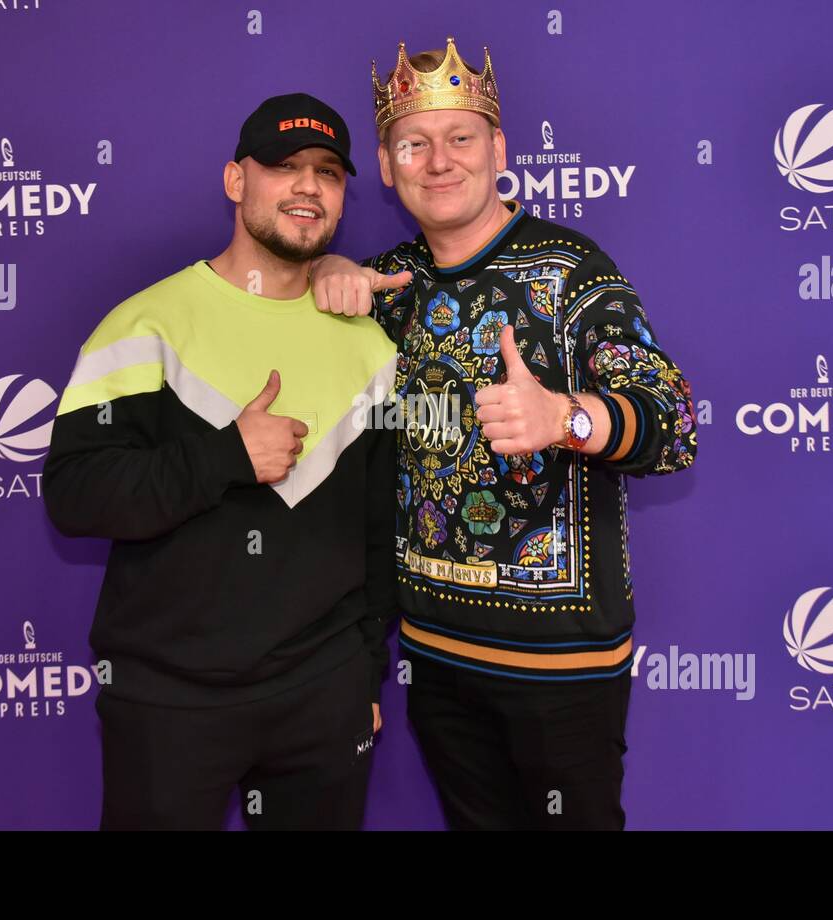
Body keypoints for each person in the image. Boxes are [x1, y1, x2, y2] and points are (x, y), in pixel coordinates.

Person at [310, 38, 699, 830]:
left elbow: (677, 424)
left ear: (500, 151)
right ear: (386, 167)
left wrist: (568, 416)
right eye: (414, 144)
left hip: (560, 666)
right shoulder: (383, 284)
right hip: (436, 656)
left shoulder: (571, 272)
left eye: (461, 138)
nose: (439, 161)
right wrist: (321, 273)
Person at [42, 93, 397, 831]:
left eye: (328, 172)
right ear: (237, 181)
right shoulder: (144, 326)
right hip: (169, 703)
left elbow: (377, 534)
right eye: (284, 166)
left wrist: (362, 673)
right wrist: (224, 455)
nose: (307, 186)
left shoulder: (370, 346)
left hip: (322, 701)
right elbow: (74, 497)